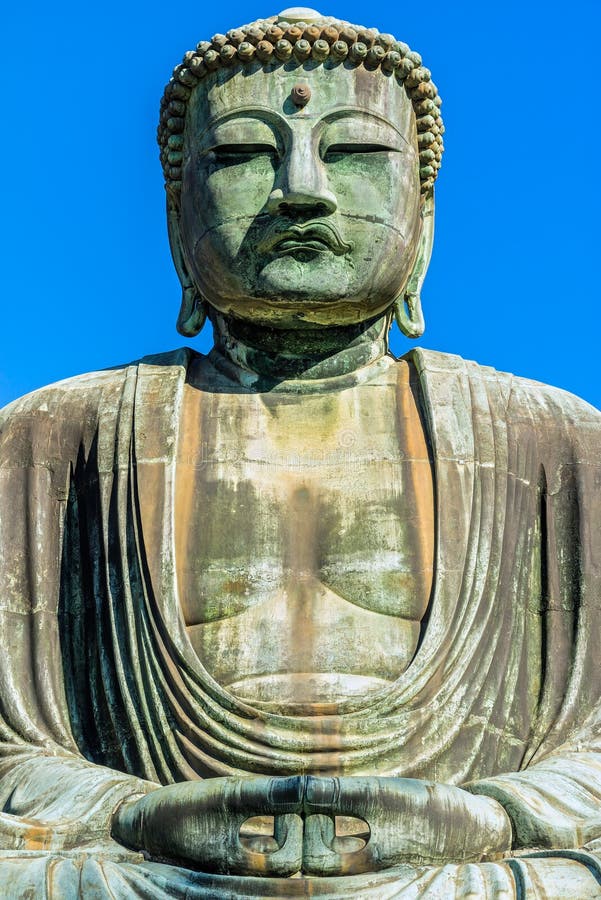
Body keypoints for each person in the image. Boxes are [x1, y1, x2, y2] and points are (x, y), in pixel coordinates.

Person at [0, 8, 600, 897]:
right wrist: (135, 813)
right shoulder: (52, 439)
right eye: (243, 155)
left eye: (355, 153)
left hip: (453, 869)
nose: (301, 189)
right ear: (177, 209)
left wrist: (493, 816)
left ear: (422, 209)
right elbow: (11, 749)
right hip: (155, 867)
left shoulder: (555, 442)